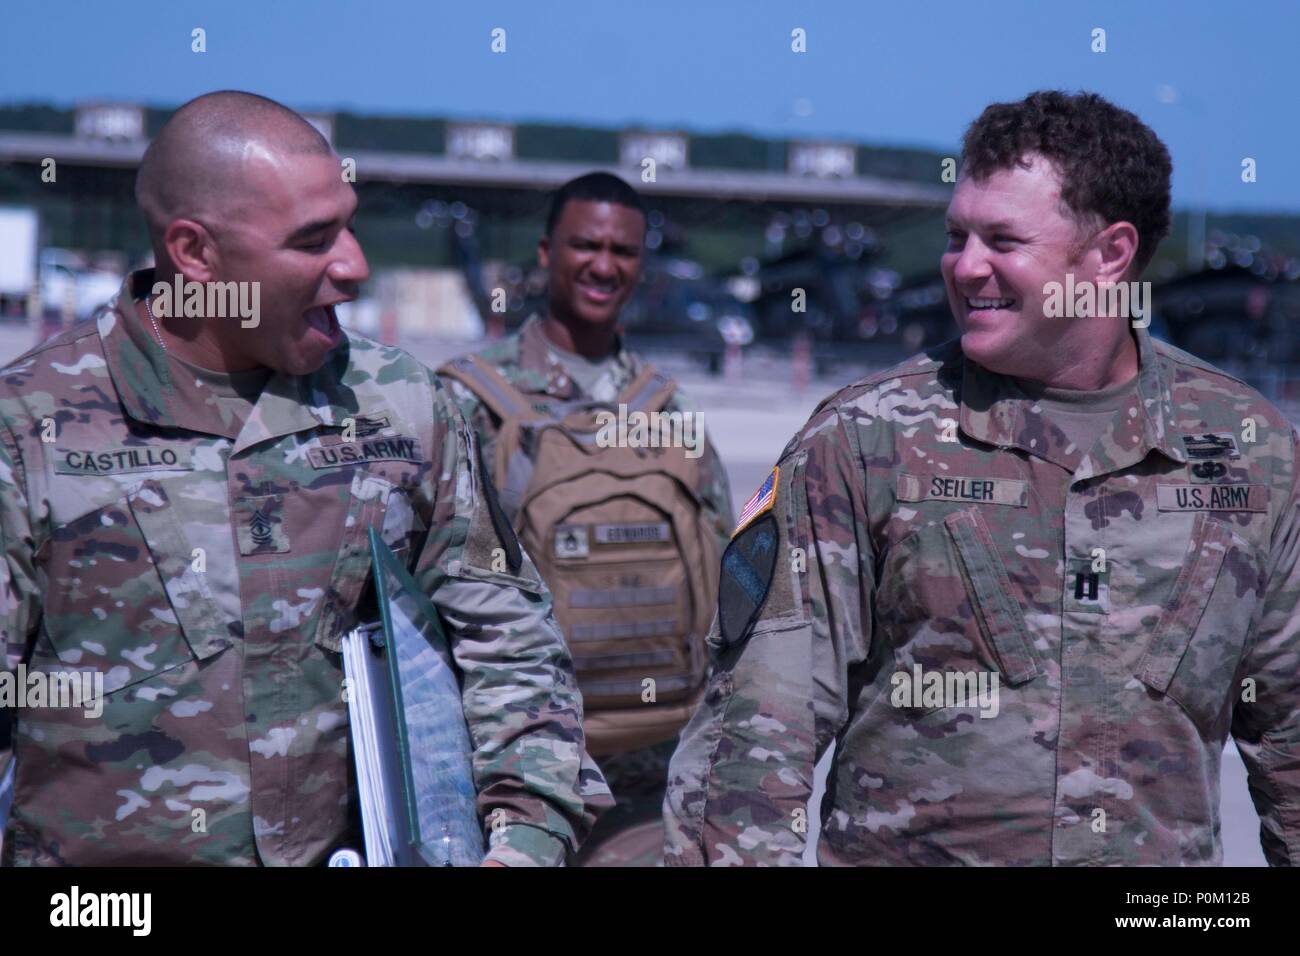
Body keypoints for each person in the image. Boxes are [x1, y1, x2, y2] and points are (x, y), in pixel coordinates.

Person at [665, 90, 1300, 866]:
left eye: (1003, 239)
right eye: (956, 235)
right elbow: (754, 735)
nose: (966, 267)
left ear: (1110, 255)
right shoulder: (865, 441)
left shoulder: (1250, 451)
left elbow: (1290, 736)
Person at [0, 90, 611, 866]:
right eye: (314, 239)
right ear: (195, 254)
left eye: (348, 224)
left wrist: (524, 842)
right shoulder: (31, 427)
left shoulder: (402, 406)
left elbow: (510, 641)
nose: (355, 265)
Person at [440, 173, 734, 865]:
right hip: (507, 778)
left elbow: (730, 571)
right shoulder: (469, 399)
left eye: (623, 252)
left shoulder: (667, 408)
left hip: (649, 780)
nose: (604, 265)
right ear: (546, 252)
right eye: (585, 245)